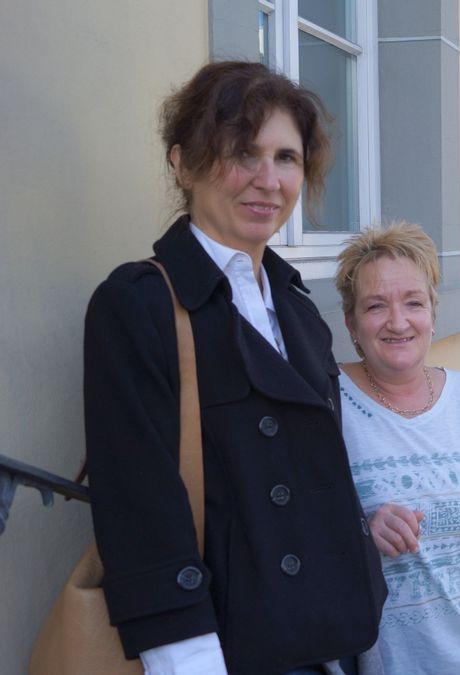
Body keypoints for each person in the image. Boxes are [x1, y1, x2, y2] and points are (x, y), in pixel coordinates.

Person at [83, 61, 386, 674]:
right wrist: (187, 659)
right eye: (243, 153)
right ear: (185, 163)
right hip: (226, 646)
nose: (267, 180)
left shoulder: (298, 307)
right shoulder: (138, 303)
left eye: (286, 158)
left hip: (332, 634)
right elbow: (138, 503)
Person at [334, 222, 460, 675]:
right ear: (350, 323)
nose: (398, 321)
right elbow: (296, 531)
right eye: (375, 306)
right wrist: (360, 529)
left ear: (433, 312)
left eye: (413, 302)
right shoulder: (328, 404)